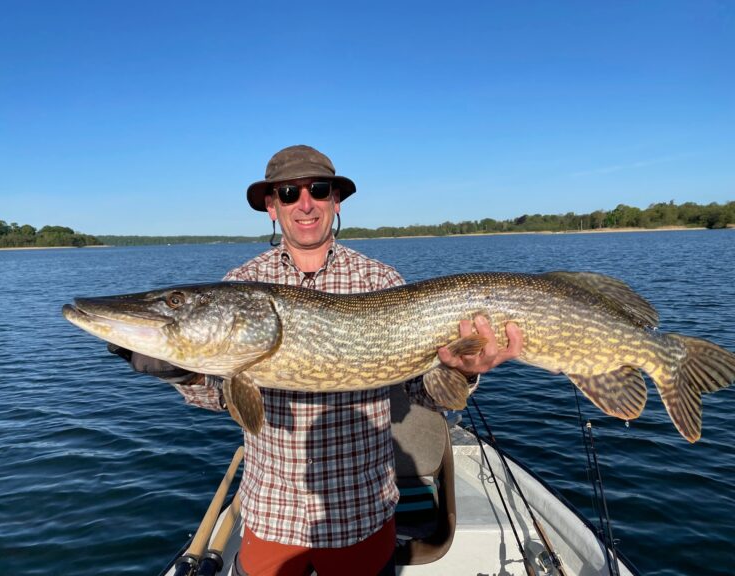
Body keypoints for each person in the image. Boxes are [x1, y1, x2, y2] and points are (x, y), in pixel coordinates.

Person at [116, 145, 522, 576]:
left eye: (319, 190)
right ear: (272, 208)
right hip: (273, 512)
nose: (304, 204)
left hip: (362, 511)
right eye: (289, 192)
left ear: (335, 201)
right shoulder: (242, 283)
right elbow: (220, 396)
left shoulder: (380, 280)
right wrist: (186, 371)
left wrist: (462, 371)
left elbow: (420, 391)